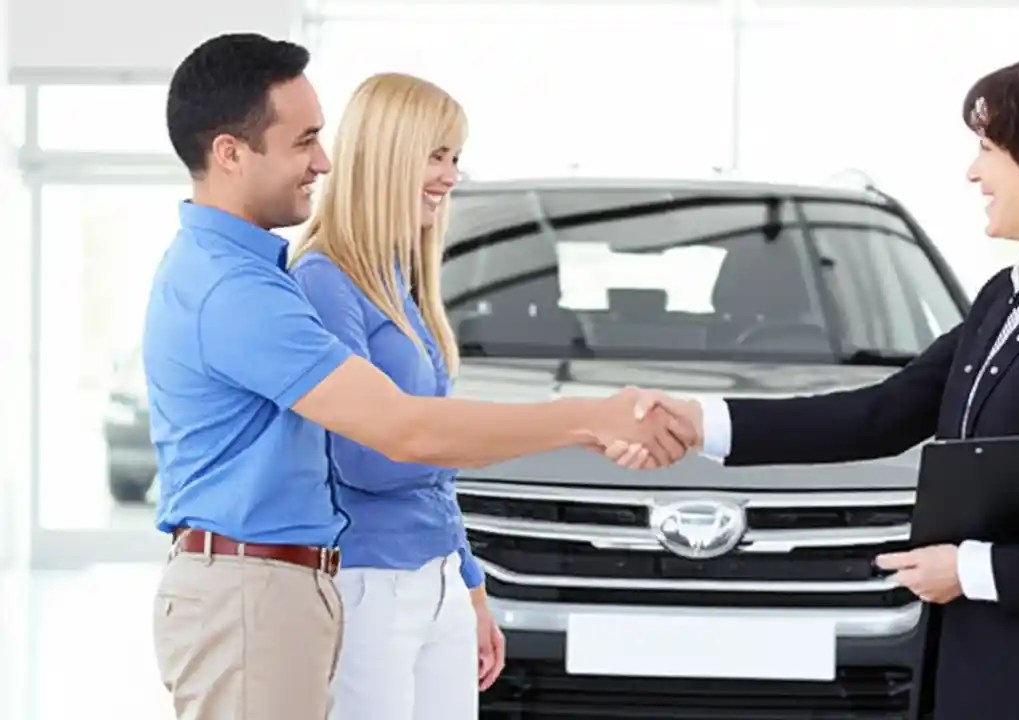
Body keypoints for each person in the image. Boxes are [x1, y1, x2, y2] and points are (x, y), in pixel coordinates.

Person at [618, 52, 1019, 720]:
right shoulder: (1006, 298)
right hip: (973, 668)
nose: (974, 172)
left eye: (988, 148)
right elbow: (883, 413)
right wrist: (699, 420)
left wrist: (974, 571)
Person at [147, 33, 692, 720]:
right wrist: (585, 419)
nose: (324, 161)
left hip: (288, 579)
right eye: (304, 142)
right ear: (230, 152)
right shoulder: (240, 290)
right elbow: (399, 433)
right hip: (266, 585)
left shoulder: (262, 275)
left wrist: (463, 578)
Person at [287, 72, 492, 719]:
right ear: (388, 155)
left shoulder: (403, 284)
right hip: (369, 583)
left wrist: (470, 585)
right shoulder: (324, 280)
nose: (450, 176)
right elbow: (367, 458)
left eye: (455, 157)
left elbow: (430, 468)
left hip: (435, 579)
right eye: (437, 155)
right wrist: (470, 439)